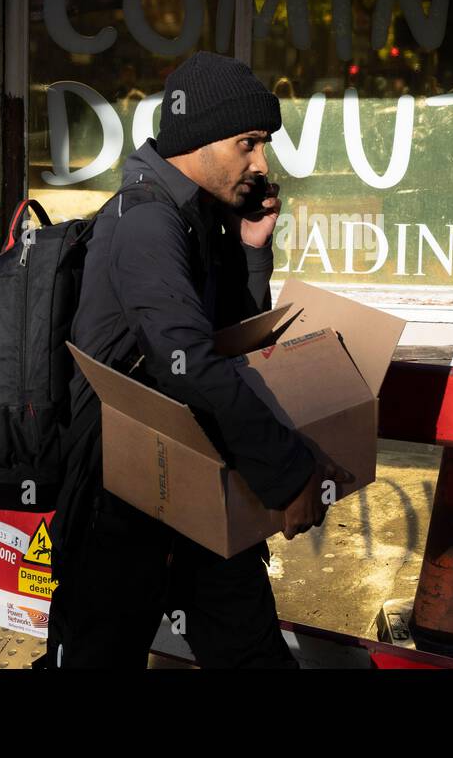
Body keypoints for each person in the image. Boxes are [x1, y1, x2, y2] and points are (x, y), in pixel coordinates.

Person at [45, 52, 351, 669]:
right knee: (99, 656)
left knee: (250, 652)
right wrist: (289, 473)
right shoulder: (147, 222)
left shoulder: (196, 214)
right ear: (198, 139)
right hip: (120, 492)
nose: (262, 163)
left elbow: (232, 342)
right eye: (249, 144)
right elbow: (189, 359)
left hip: (189, 474)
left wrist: (252, 249)